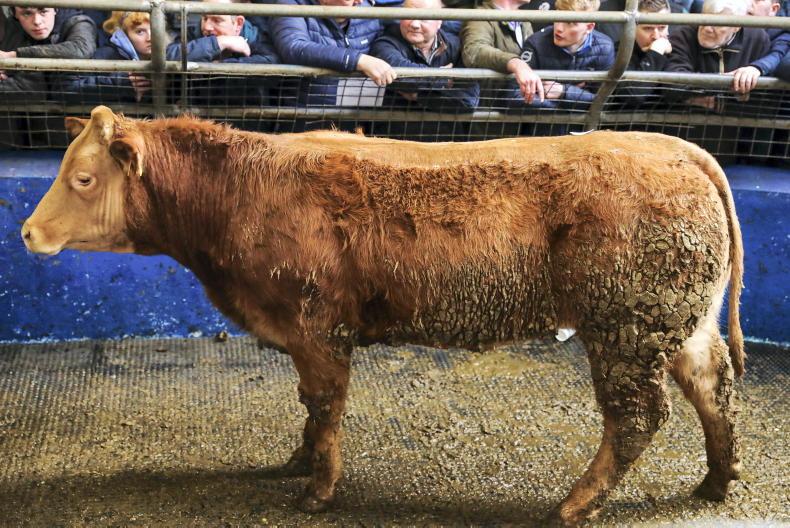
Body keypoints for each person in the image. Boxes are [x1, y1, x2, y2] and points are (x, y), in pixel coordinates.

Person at [270, 0, 395, 107]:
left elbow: (382, 44)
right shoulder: (291, 4)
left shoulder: (366, 8)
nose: (360, 1)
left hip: (358, 115)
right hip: (304, 113)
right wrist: (357, 60)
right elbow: (294, 47)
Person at [370, 0, 479, 110]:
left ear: (439, 22)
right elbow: (397, 74)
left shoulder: (456, 47)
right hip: (394, 124)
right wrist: (441, 78)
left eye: (424, 18)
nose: (415, 24)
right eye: (409, 15)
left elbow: (468, 100)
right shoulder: (385, 43)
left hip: (444, 125)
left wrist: (419, 96)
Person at [664, 0, 770, 108]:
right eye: (704, 18)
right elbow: (674, 87)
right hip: (690, 119)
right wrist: (727, 81)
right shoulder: (683, 36)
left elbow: (766, 99)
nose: (707, 29)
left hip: (740, 120)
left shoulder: (757, 39)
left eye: (717, 24)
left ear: (736, 27)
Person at [518, 0, 615, 108]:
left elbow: (605, 102)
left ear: (589, 27)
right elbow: (513, 95)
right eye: (558, 18)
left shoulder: (604, 47)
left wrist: (564, 92)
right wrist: (577, 97)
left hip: (583, 124)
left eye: (569, 23)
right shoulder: (535, 43)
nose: (559, 28)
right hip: (540, 123)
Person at [0, 7, 96, 97]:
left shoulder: (78, 22)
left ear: (55, 9)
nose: (37, 21)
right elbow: (27, 87)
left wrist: (16, 55)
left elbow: (80, 49)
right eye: (27, 13)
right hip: (29, 108)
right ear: (15, 14)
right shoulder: (14, 28)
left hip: (76, 103)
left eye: (43, 12)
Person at [460, 0, 544, 104]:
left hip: (520, 105)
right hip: (489, 108)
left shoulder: (524, 21)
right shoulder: (480, 17)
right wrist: (515, 63)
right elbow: (474, 51)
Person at [67, 11, 155, 103]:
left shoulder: (166, 55)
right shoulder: (106, 54)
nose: (150, 38)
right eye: (140, 32)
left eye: (154, 29)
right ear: (125, 34)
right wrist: (120, 83)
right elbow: (69, 89)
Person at [614, 0, 673, 107]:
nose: (656, 36)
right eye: (648, 28)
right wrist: (655, 52)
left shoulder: (676, 47)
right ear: (633, 28)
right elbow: (633, 96)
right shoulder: (619, 51)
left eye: (662, 28)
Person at [727, 0, 789, 91]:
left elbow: (777, 54)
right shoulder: (725, 24)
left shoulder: (781, 32)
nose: (748, 3)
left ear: (773, 9)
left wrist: (756, 68)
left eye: (757, 0)